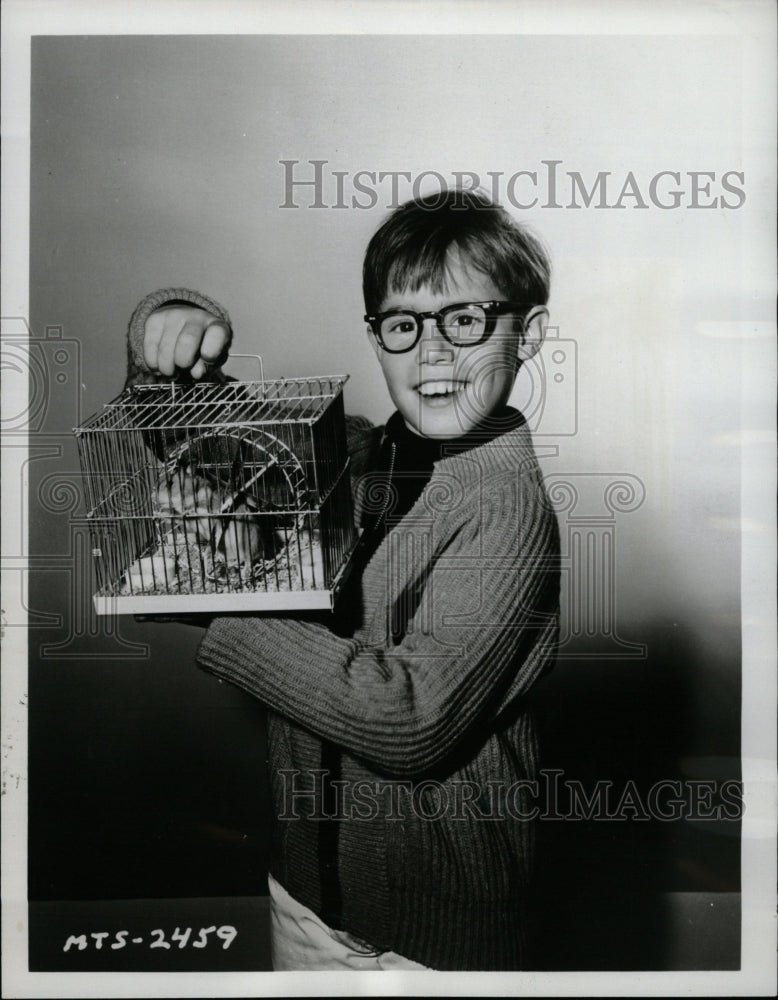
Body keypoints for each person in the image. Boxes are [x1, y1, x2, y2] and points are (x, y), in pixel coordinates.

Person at [124, 188, 560, 971]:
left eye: (464, 320)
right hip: (305, 899)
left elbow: (411, 718)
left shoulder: (507, 511)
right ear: (377, 337)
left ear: (527, 333)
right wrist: (174, 343)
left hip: (430, 945)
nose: (432, 354)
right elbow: (220, 449)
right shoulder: (360, 455)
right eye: (403, 325)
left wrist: (221, 607)